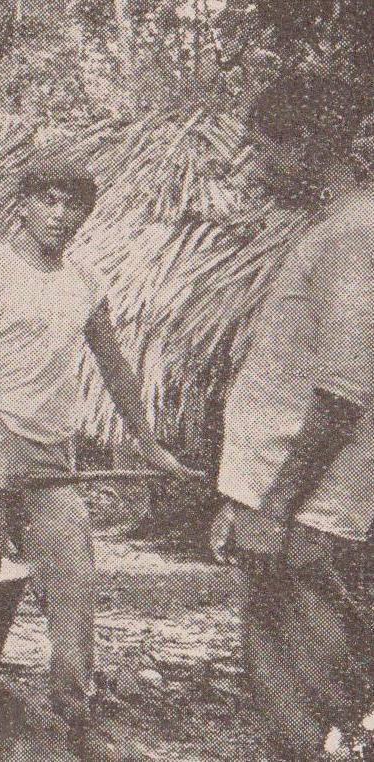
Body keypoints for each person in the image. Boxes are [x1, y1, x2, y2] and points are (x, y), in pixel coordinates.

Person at [0, 157, 200, 760]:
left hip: (50, 451)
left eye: (71, 205)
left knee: (73, 579)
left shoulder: (82, 284)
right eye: (47, 201)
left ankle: (72, 718)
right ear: (22, 205)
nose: (59, 215)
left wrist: (149, 444)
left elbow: (114, 366)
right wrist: (0, 441)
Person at [214, 73, 374, 761]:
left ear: (306, 146)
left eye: (262, 150)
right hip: (288, 509)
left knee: (305, 715)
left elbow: (344, 392)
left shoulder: (354, 232)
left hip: (304, 517)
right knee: (295, 706)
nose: (255, 168)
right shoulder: (337, 228)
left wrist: (275, 508)